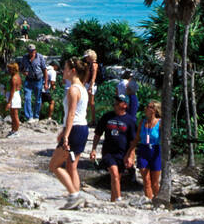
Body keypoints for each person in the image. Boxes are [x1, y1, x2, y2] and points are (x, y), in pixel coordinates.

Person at [48, 56, 90, 210]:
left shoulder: (73, 89)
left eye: (65, 68)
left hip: (75, 129)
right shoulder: (83, 89)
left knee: (54, 165)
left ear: (72, 71)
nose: (63, 71)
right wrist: (63, 130)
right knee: (72, 166)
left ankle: (74, 195)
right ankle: (77, 197)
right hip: (82, 128)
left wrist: (66, 134)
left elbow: (71, 114)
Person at [90, 93, 138, 202]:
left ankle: (113, 201)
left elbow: (133, 141)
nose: (116, 104)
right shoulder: (107, 117)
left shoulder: (130, 121)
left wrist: (131, 156)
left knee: (116, 178)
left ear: (125, 105)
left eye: (119, 101)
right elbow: (98, 134)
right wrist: (93, 149)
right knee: (114, 173)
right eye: (116, 101)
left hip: (122, 153)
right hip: (108, 152)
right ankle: (119, 200)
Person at [135, 100, 162, 200]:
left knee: (155, 182)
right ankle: (149, 201)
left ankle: (158, 199)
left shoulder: (160, 123)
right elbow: (137, 138)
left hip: (155, 151)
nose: (146, 108)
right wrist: (130, 152)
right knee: (146, 180)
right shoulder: (142, 122)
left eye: (149, 106)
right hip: (143, 150)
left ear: (154, 110)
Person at [20, 43, 47, 122]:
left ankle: (36, 116)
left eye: (32, 51)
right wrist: (23, 72)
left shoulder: (40, 57)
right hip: (29, 80)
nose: (31, 52)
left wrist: (45, 83)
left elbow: (44, 69)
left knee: (38, 99)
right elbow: (21, 68)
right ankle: (29, 117)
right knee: (27, 98)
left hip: (38, 80)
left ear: (35, 51)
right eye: (29, 51)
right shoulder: (24, 58)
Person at [84, 48, 99, 123]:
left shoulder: (94, 65)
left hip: (91, 85)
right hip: (89, 84)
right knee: (87, 102)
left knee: (91, 102)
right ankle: (87, 119)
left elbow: (93, 77)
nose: (86, 58)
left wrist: (90, 87)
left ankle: (93, 120)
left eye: (87, 56)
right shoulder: (90, 64)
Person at [7, 61, 22, 133]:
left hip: (14, 96)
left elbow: (12, 91)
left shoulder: (14, 78)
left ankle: (16, 131)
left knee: (15, 115)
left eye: (9, 69)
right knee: (13, 115)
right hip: (16, 94)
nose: (8, 71)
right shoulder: (18, 76)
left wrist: (9, 102)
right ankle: (13, 129)